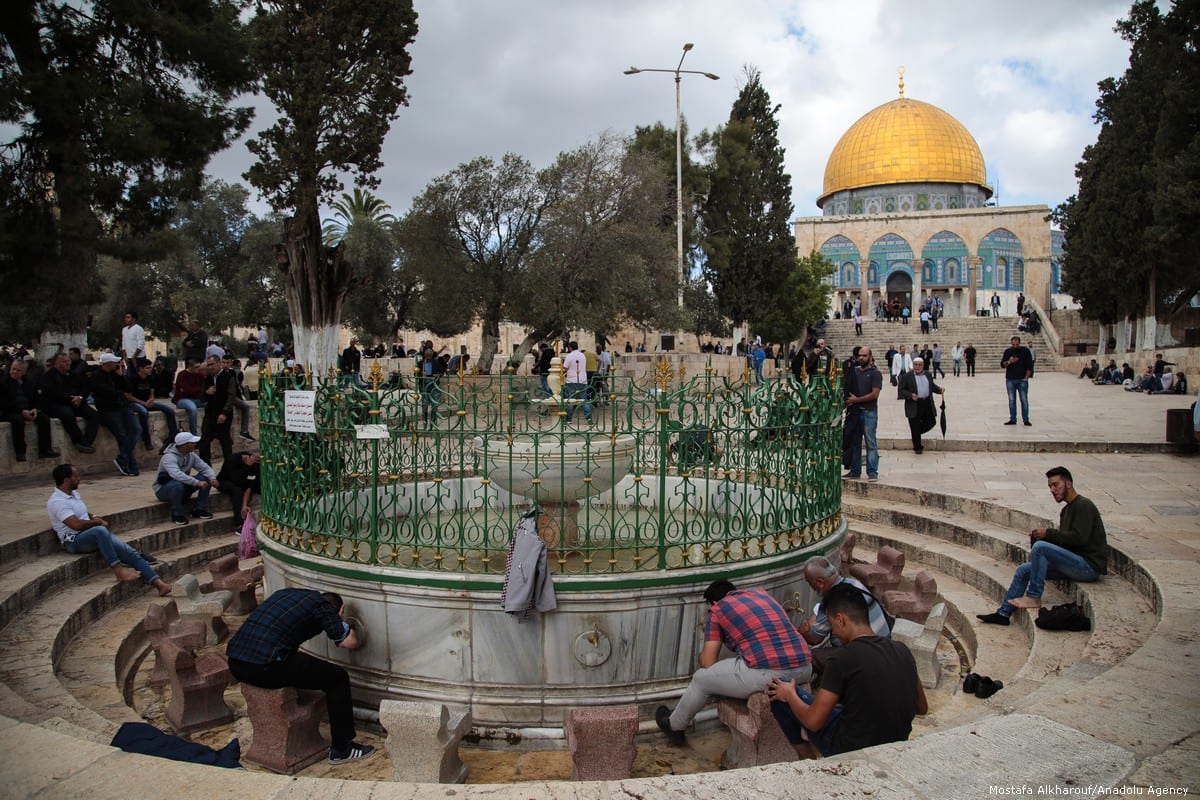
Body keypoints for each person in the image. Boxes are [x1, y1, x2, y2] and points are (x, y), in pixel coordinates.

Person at [767, 582, 927, 758]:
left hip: (850, 748)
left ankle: (808, 761)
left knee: (779, 691)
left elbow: (813, 721)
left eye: (831, 624)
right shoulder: (902, 649)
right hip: (896, 741)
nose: (833, 632)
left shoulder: (842, 658)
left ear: (840, 620)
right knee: (836, 708)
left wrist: (789, 695)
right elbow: (922, 707)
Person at [226, 587, 375, 765]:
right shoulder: (323, 607)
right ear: (339, 610)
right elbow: (350, 642)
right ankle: (343, 749)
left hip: (236, 662)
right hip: (265, 667)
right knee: (338, 678)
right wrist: (345, 625)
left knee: (301, 663)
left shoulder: (286, 593)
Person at [655, 579, 812, 745]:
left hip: (768, 675)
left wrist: (702, 654)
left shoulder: (718, 610)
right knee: (740, 666)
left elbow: (708, 662)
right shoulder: (763, 596)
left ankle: (674, 726)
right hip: (805, 669)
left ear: (713, 602)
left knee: (701, 679)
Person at [978, 466, 1108, 624]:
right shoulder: (1065, 511)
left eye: (1056, 485)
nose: (1053, 490)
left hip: (1088, 566)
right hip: (1075, 562)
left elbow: (1080, 539)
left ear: (1068, 484)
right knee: (1024, 570)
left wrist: (1048, 535)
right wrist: (1040, 538)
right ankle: (1003, 614)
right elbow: (1067, 542)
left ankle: (1033, 596)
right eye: (1050, 487)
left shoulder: (1084, 505)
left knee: (1041, 548)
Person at [47, 463, 172, 595]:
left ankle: (159, 584)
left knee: (130, 552)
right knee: (100, 531)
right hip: (73, 541)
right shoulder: (57, 502)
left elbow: (81, 512)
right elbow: (75, 525)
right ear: (66, 480)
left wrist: (94, 517)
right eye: (76, 476)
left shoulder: (73, 494)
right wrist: (96, 522)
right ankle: (118, 571)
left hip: (90, 534)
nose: (79, 478)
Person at [796, 556, 891, 674]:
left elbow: (815, 639)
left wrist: (803, 632)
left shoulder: (832, 599)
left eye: (809, 583)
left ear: (820, 582)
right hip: (883, 644)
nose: (810, 587)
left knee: (810, 657)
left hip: (862, 655)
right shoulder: (854, 584)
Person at [39, 351, 99, 454]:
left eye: (68, 361)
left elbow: (85, 387)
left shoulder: (73, 374)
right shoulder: (48, 376)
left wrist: (80, 397)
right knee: (67, 415)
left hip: (77, 402)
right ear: (57, 364)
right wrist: (69, 398)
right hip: (58, 403)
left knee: (93, 415)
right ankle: (78, 440)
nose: (67, 364)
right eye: (64, 362)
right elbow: (50, 392)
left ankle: (86, 442)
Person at [1, 358, 58, 462]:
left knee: (44, 419)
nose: (14, 372)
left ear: (24, 372)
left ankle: (45, 450)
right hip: (10, 410)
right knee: (18, 421)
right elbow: (3, 402)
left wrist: (35, 408)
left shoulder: (28, 382)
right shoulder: (3, 381)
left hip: (27, 408)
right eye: (13, 369)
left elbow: (36, 398)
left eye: (18, 370)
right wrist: (21, 412)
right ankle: (20, 452)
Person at [153, 431, 217, 525]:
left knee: (205, 478)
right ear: (184, 445)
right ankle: (177, 514)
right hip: (164, 489)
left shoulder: (191, 455)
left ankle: (199, 509)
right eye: (192, 443)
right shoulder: (169, 457)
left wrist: (212, 478)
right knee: (176, 485)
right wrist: (196, 482)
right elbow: (177, 475)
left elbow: (204, 467)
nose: (195, 444)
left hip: (184, 486)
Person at [843, 347, 882, 481]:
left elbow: (875, 394)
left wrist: (857, 400)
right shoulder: (854, 372)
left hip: (868, 412)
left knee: (870, 442)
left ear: (870, 357)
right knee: (855, 442)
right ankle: (855, 470)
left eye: (864, 356)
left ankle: (872, 471)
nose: (861, 358)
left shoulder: (875, 373)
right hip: (854, 412)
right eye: (859, 355)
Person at [897, 357, 944, 455]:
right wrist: (911, 395)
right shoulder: (907, 376)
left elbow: (932, 386)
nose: (917, 367)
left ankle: (916, 433)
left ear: (923, 365)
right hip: (914, 404)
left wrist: (939, 390)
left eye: (919, 365)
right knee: (915, 424)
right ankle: (917, 447)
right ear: (913, 365)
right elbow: (901, 390)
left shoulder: (927, 374)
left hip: (926, 403)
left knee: (931, 422)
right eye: (915, 364)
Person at [199, 356, 235, 465]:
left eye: (212, 364)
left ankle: (229, 468)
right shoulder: (208, 379)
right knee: (204, 441)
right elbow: (201, 398)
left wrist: (224, 412)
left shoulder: (227, 377)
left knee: (225, 442)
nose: (210, 367)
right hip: (210, 414)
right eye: (208, 365)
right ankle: (206, 469)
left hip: (223, 414)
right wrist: (207, 392)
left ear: (219, 363)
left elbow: (231, 396)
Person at [217, 450, 261, 531]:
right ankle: (240, 523)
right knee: (237, 491)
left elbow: (250, 487)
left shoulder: (256, 466)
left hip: (244, 481)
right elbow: (236, 480)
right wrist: (247, 466)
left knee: (258, 485)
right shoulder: (232, 460)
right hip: (226, 481)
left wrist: (245, 505)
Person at [1001, 335, 1034, 426]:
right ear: (1011, 343)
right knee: (1011, 400)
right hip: (1010, 379)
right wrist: (1009, 362)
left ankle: (1026, 419)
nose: (1015, 345)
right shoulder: (1008, 352)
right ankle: (1013, 418)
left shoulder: (1025, 351)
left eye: (1016, 344)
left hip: (1022, 379)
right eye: (1013, 344)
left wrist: (1026, 378)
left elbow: (1029, 365)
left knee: (1024, 399)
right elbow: (1002, 365)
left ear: (1019, 343)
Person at [562, 341, 592, 425]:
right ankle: (589, 418)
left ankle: (568, 419)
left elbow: (565, 368)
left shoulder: (569, 356)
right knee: (583, 400)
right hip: (582, 380)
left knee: (570, 400)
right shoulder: (582, 355)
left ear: (570, 347)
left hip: (571, 380)